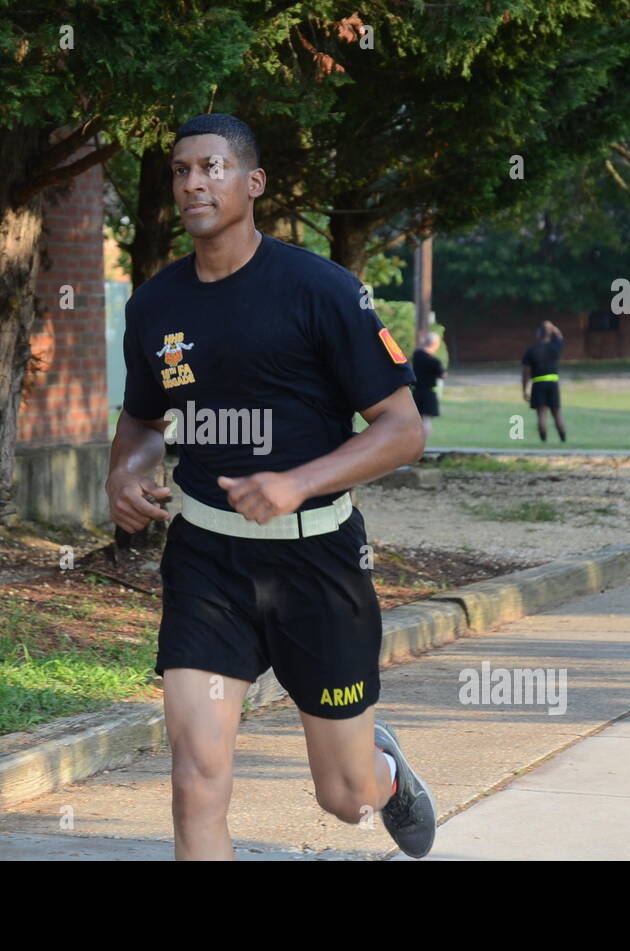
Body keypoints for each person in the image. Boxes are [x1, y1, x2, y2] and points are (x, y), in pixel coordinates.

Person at [107, 113, 437, 861]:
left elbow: (402, 428)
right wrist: (125, 471)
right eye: (181, 170)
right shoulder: (155, 306)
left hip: (319, 561)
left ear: (252, 183)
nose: (194, 181)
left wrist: (297, 481)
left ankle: (384, 772)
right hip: (207, 562)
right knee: (195, 776)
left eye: (212, 167)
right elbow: (145, 421)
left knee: (344, 797)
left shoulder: (322, 290)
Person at [522, 320, 566, 441]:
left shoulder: (531, 351)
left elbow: (525, 372)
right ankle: (563, 439)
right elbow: (559, 336)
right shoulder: (555, 347)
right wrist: (552, 326)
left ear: (538, 334)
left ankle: (544, 440)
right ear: (548, 334)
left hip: (538, 384)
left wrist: (525, 390)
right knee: (557, 414)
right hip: (553, 384)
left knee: (541, 414)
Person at [411, 330, 446, 446]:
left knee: (417, 420)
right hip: (429, 393)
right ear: (436, 344)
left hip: (416, 392)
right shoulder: (434, 361)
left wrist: (422, 339)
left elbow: (421, 348)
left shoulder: (417, 355)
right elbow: (442, 375)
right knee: (426, 420)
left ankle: (414, 442)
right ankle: (423, 443)